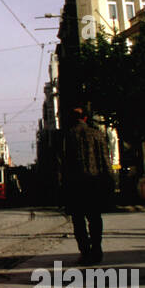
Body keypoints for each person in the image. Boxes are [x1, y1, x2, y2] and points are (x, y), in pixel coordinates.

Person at [62, 105, 113, 263]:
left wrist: (61, 187)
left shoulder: (67, 136)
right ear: (85, 118)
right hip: (95, 183)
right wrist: (110, 182)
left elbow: (62, 164)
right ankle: (97, 249)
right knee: (95, 218)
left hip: (75, 185)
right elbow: (106, 161)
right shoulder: (97, 134)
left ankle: (85, 251)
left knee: (78, 220)